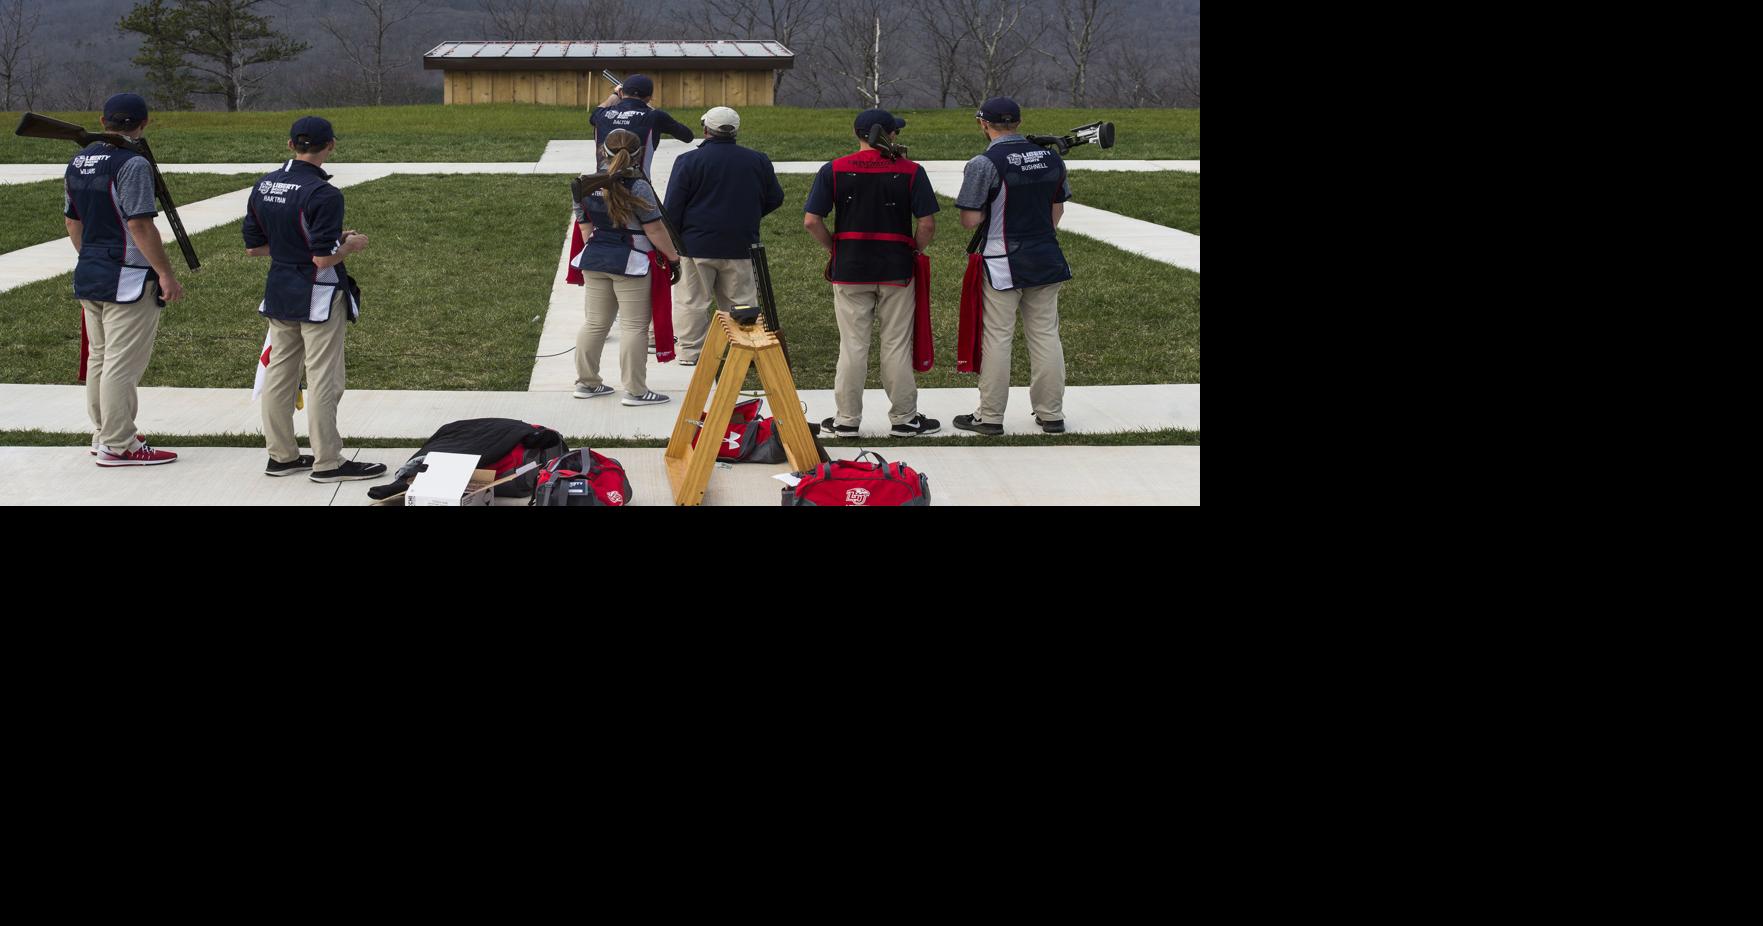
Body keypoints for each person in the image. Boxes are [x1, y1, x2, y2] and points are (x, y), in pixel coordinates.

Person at [242, 116, 387, 482]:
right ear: (331, 145)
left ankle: (282, 456)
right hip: (317, 294)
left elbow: (255, 247)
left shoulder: (265, 185)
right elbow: (323, 259)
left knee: (280, 376)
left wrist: (309, 243)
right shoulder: (324, 193)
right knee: (324, 378)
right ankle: (328, 461)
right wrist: (348, 245)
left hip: (280, 289)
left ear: (291, 144)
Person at [802, 109, 940, 438]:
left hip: (850, 266)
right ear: (889, 135)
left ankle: (847, 420)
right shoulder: (911, 171)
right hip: (896, 267)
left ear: (857, 134)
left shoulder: (833, 169)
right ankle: (904, 418)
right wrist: (915, 250)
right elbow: (927, 224)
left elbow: (811, 220)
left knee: (852, 345)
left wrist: (833, 247)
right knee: (895, 344)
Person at [65, 93, 183, 467]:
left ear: (103, 122)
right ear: (143, 124)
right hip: (128, 277)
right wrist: (165, 273)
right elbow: (139, 224)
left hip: (91, 270)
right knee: (121, 364)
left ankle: (104, 433)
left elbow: (73, 221)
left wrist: (92, 257)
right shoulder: (132, 164)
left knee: (100, 358)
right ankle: (120, 444)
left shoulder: (78, 161)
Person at [953, 97, 1073, 436]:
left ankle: (990, 416)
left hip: (1002, 261)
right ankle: (1051, 414)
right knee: (1046, 335)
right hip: (1046, 255)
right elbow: (1057, 210)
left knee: (997, 338)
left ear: (983, 124)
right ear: (1018, 122)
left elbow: (970, 218)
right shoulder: (1051, 157)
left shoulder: (984, 162)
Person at [664, 105, 785, 366]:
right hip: (740, 242)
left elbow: (672, 207)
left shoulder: (688, 161)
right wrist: (748, 216)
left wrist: (674, 241)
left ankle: (690, 352)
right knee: (741, 301)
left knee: (692, 301)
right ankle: (745, 351)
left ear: (705, 128)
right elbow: (775, 198)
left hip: (695, 244)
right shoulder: (758, 160)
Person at [570, 128, 683, 407]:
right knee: (634, 327)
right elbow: (655, 229)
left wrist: (600, 250)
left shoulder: (583, 183)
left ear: (602, 152)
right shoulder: (638, 185)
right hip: (631, 262)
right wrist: (673, 259)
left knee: (595, 323)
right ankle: (635, 390)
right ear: (638, 154)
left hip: (595, 257)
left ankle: (587, 382)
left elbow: (585, 228)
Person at [590, 75, 694, 176]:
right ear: (649, 98)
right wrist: (650, 108)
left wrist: (615, 95)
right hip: (638, 186)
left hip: (602, 186)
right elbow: (687, 136)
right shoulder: (655, 116)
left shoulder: (601, 115)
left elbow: (595, 113)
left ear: (621, 93)